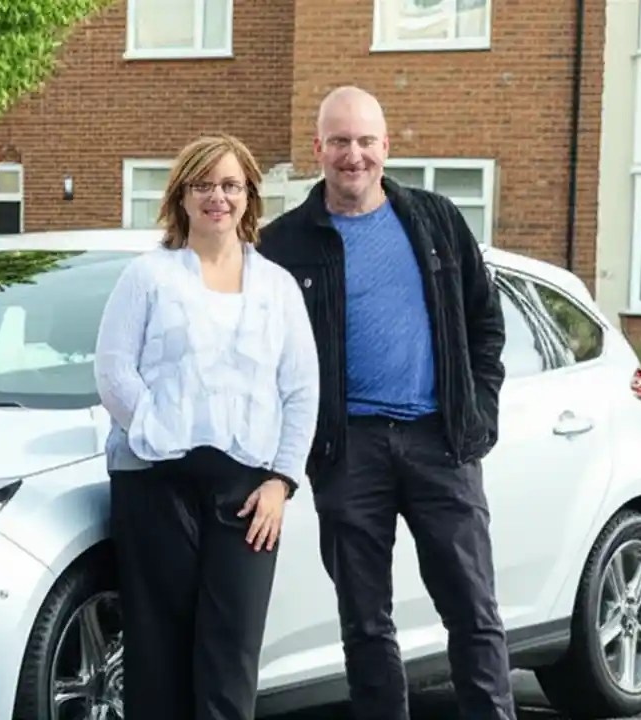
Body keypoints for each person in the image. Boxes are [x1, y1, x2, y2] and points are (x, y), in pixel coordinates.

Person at [257, 86, 513, 720]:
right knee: (365, 624)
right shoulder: (282, 245)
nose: (354, 155)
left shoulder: (436, 220)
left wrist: (477, 412)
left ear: (386, 147)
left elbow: (485, 323)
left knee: (474, 613)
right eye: (340, 141)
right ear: (318, 149)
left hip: (440, 441)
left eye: (366, 141)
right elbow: (261, 355)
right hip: (349, 451)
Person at [93, 132, 320, 720]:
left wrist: (281, 482)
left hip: (247, 493)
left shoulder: (277, 287)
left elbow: (301, 390)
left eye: (229, 185)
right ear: (182, 197)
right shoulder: (148, 277)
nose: (216, 197)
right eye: (203, 185)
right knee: (157, 651)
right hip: (153, 479)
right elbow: (113, 370)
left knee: (231, 653)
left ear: (248, 196)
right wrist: (156, 429)